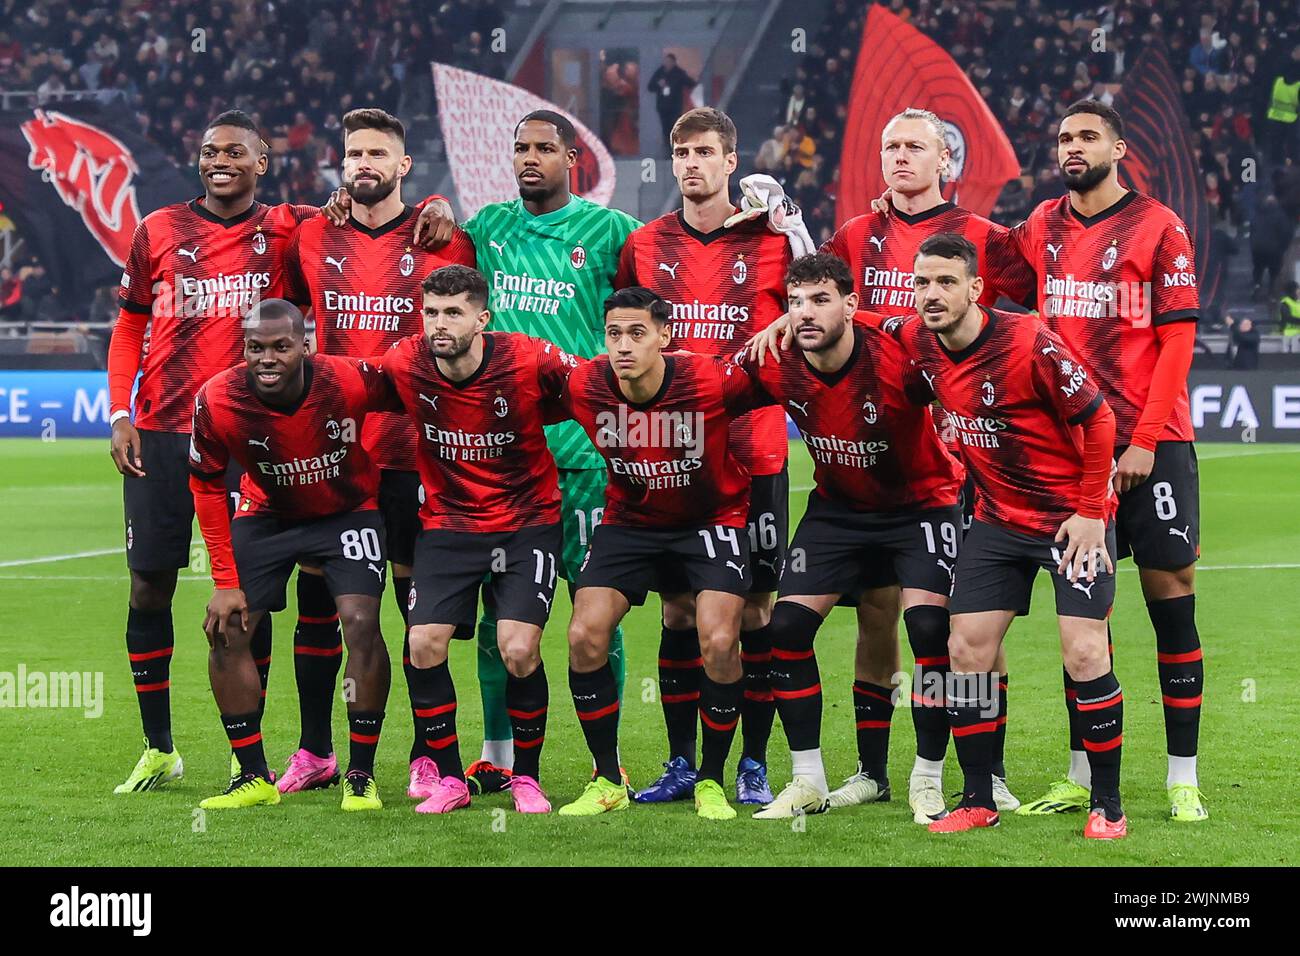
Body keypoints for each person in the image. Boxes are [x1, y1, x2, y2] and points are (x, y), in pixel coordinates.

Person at [412, 111, 641, 794]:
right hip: (501, 463)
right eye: (520, 148)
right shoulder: (487, 230)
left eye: (545, 148)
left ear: (574, 158)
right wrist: (436, 203)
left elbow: (651, 301)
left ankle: (609, 758)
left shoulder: (612, 232)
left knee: (594, 607)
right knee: (498, 616)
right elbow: (431, 248)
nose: (531, 158)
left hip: (587, 457)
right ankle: (496, 751)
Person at [831, 107, 1037, 819]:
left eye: (915, 146)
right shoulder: (857, 235)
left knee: (966, 628)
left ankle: (990, 768)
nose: (899, 157)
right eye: (890, 146)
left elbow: (1029, 314)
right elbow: (824, 306)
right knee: (875, 619)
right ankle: (870, 772)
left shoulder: (985, 239)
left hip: (953, 465)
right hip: (865, 458)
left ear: (948, 160)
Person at [1010, 100, 1208, 823]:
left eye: (1088, 135)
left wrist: (1146, 440)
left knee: (1169, 604)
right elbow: (979, 269)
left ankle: (1182, 778)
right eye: (1064, 136)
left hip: (1153, 446)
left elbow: (1178, 343)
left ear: (1119, 148)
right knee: (1082, 620)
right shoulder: (1039, 226)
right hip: (1072, 452)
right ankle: (1077, 775)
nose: (1072, 146)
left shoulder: (1159, 227)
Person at [106, 110, 314, 794]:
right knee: (148, 585)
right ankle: (159, 746)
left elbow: (362, 222)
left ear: (262, 163)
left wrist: (430, 203)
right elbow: (131, 322)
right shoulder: (159, 229)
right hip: (163, 432)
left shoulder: (287, 228)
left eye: (234, 151)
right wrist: (119, 411)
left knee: (248, 598)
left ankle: (245, 752)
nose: (218, 159)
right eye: (207, 150)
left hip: (250, 438)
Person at [891, 234, 1124, 838]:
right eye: (922, 283)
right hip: (997, 518)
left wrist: (1092, 508)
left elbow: (1099, 418)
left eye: (946, 282)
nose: (932, 295)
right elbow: (863, 322)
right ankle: (976, 798)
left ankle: (1108, 805)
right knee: (964, 649)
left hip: (1071, 519)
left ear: (976, 288)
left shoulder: (1028, 342)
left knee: (1084, 653)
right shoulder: (919, 338)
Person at [281, 108, 476, 798]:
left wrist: (442, 207)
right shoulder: (311, 234)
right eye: (353, 152)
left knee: (420, 609)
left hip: (413, 451)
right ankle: (315, 750)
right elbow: (286, 317)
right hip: (331, 452)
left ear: (404, 167)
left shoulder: (443, 239)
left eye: (377, 153)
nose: (362, 162)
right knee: (318, 603)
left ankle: (428, 755)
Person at [735, 253, 965, 822]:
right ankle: (811, 779)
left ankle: (928, 779)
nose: (804, 313)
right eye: (794, 302)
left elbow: (967, 384)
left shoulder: (897, 358)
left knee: (929, 630)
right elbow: (711, 393)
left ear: (850, 305)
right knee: (785, 626)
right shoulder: (777, 359)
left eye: (819, 300)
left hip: (921, 506)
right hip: (838, 511)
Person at [615, 107, 792, 806]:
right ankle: (682, 763)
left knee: (752, 613)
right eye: (681, 152)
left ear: (731, 161)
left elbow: (818, 306)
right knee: (678, 614)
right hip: (675, 459)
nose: (691, 163)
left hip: (754, 455)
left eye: (705, 152)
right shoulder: (644, 243)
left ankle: (752, 762)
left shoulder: (773, 242)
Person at [555, 287, 765, 821]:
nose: (623, 346)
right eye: (613, 334)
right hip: (631, 524)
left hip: (710, 521)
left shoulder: (708, 379)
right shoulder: (586, 385)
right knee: (583, 634)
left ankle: (711, 780)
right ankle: (606, 779)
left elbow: (779, 376)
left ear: (665, 336)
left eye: (637, 333)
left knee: (719, 640)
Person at [379, 265, 576, 815]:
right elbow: (350, 388)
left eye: (453, 313)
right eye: (431, 313)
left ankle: (527, 778)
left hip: (527, 521)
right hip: (449, 524)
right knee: (423, 644)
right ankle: (448, 779)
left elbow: (591, 386)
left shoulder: (528, 358)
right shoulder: (405, 362)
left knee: (517, 649)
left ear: (482, 318)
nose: (439, 325)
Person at [188, 299, 395, 811]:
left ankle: (361, 774)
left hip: (347, 511)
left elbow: (414, 390)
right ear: (243, 349)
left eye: (282, 346)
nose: (268, 358)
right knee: (228, 626)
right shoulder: (216, 399)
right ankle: (253, 776)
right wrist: (223, 580)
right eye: (256, 348)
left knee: (360, 621)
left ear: (306, 346)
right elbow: (207, 486)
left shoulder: (346, 380)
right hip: (268, 515)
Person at [648, 53, 696, 151]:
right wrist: (658, 84)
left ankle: (675, 146)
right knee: (665, 128)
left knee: (674, 126)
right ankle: (667, 148)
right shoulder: (660, 72)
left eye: (669, 62)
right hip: (662, 106)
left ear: (673, 63)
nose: (667, 64)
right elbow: (650, 87)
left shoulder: (679, 73)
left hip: (675, 106)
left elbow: (690, 83)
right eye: (666, 62)